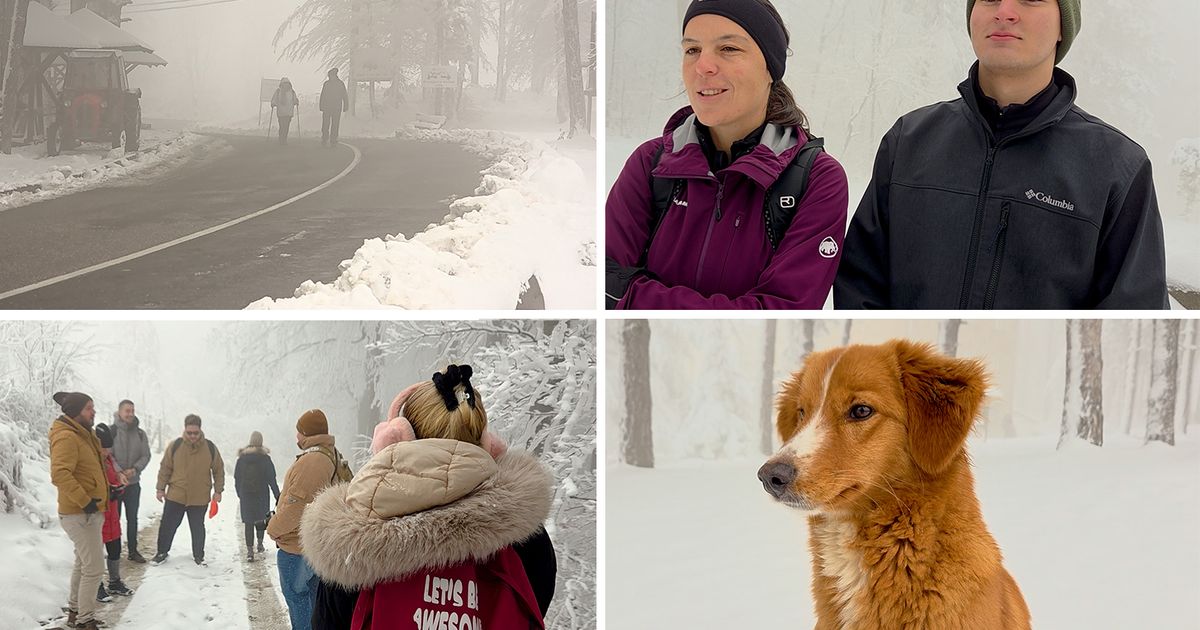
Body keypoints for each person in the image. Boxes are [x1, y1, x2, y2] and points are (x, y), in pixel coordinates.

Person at [834, 0, 1168, 309]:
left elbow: (1134, 317)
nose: (1005, 11)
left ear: (1064, 25)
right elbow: (858, 288)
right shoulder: (908, 141)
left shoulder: (1116, 167)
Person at [606, 0, 849, 310]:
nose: (703, 66)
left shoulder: (816, 180)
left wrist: (636, 296)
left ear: (770, 68)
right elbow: (606, 283)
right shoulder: (650, 163)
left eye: (729, 49)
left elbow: (782, 313)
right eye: (692, 50)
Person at [304, 365, 557, 630]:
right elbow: (534, 607)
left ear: (395, 439)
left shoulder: (351, 546)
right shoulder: (524, 535)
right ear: (487, 444)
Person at [267, 409, 347, 630]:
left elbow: (297, 507)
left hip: (297, 546)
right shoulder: (329, 454)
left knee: (297, 598)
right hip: (314, 545)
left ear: (306, 432)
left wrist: (273, 528)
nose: (296, 437)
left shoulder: (313, 461)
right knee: (311, 600)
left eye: (299, 431)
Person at [48, 391, 107, 630]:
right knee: (94, 568)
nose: (93, 412)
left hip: (87, 512)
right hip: (79, 513)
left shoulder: (83, 434)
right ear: (75, 412)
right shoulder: (67, 437)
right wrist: (85, 501)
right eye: (88, 408)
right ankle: (85, 621)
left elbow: (89, 468)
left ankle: (75, 612)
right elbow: (60, 474)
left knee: (83, 564)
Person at [153, 414, 225, 566]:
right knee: (167, 525)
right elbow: (165, 468)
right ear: (184, 430)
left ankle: (199, 555)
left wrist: (218, 491)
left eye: (195, 433)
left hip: (199, 498)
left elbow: (219, 470)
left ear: (200, 431)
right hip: (176, 496)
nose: (192, 436)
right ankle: (161, 552)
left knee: (198, 528)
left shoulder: (210, 448)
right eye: (189, 432)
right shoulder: (175, 446)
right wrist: (160, 488)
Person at [94, 423, 134, 601]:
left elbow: (116, 479)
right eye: (103, 448)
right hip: (97, 514)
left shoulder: (109, 460)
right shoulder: (90, 461)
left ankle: (114, 582)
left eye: (108, 448)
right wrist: (108, 491)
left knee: (115, 548)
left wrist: (119, 486)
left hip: (112, 513)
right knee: (95, 551)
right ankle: (96, 586)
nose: (106, 452)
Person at [111, 399, 150, 563]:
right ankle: (115, 552)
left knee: (132, 518)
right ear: (119, 412)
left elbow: (146, 455)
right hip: (115, 485)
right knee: (115, 519)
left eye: (132, 411)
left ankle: (133, 551)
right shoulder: (110, 431)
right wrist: (119, 471)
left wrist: (134, 469)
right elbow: (106, 455)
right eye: (127, 411)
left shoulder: (140, 434)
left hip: (133, 484)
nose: (130, 414)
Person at [234, 431, 280, 562]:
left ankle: (250, 551)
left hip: (246, 495)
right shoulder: (265, 458)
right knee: (260, 521)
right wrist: (278, 496)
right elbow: (272, 479)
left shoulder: (242, 458)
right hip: (261, 495)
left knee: (248, 523)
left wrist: (240, 494)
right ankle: (259, 544)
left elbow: (237, 478)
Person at [319, 68, 349, 147]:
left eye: (331, 75)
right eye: (329, 76)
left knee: (335, 124)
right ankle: (324, 137)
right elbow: (323, 95)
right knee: (325, 123)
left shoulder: (340, 84)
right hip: (327, 107)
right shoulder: (326, 84)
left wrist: (346, 105)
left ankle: (333, 138)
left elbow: (344, 95)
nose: (330, 77)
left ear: (335, 75)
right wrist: (321, 105)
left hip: (336, 107)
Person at [272, 78, 300, 145]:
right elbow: (274, 99)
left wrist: (296, 101)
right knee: (282, 126)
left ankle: (284, 139)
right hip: (281, 112)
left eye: (287, 84)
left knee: (286, 126)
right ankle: (281, 139)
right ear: (281, 84)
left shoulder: (292, 92)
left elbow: (294, 100)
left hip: (288, 113)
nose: (285, 85)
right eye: (284, 84)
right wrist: (273, 103)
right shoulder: (278, 92)